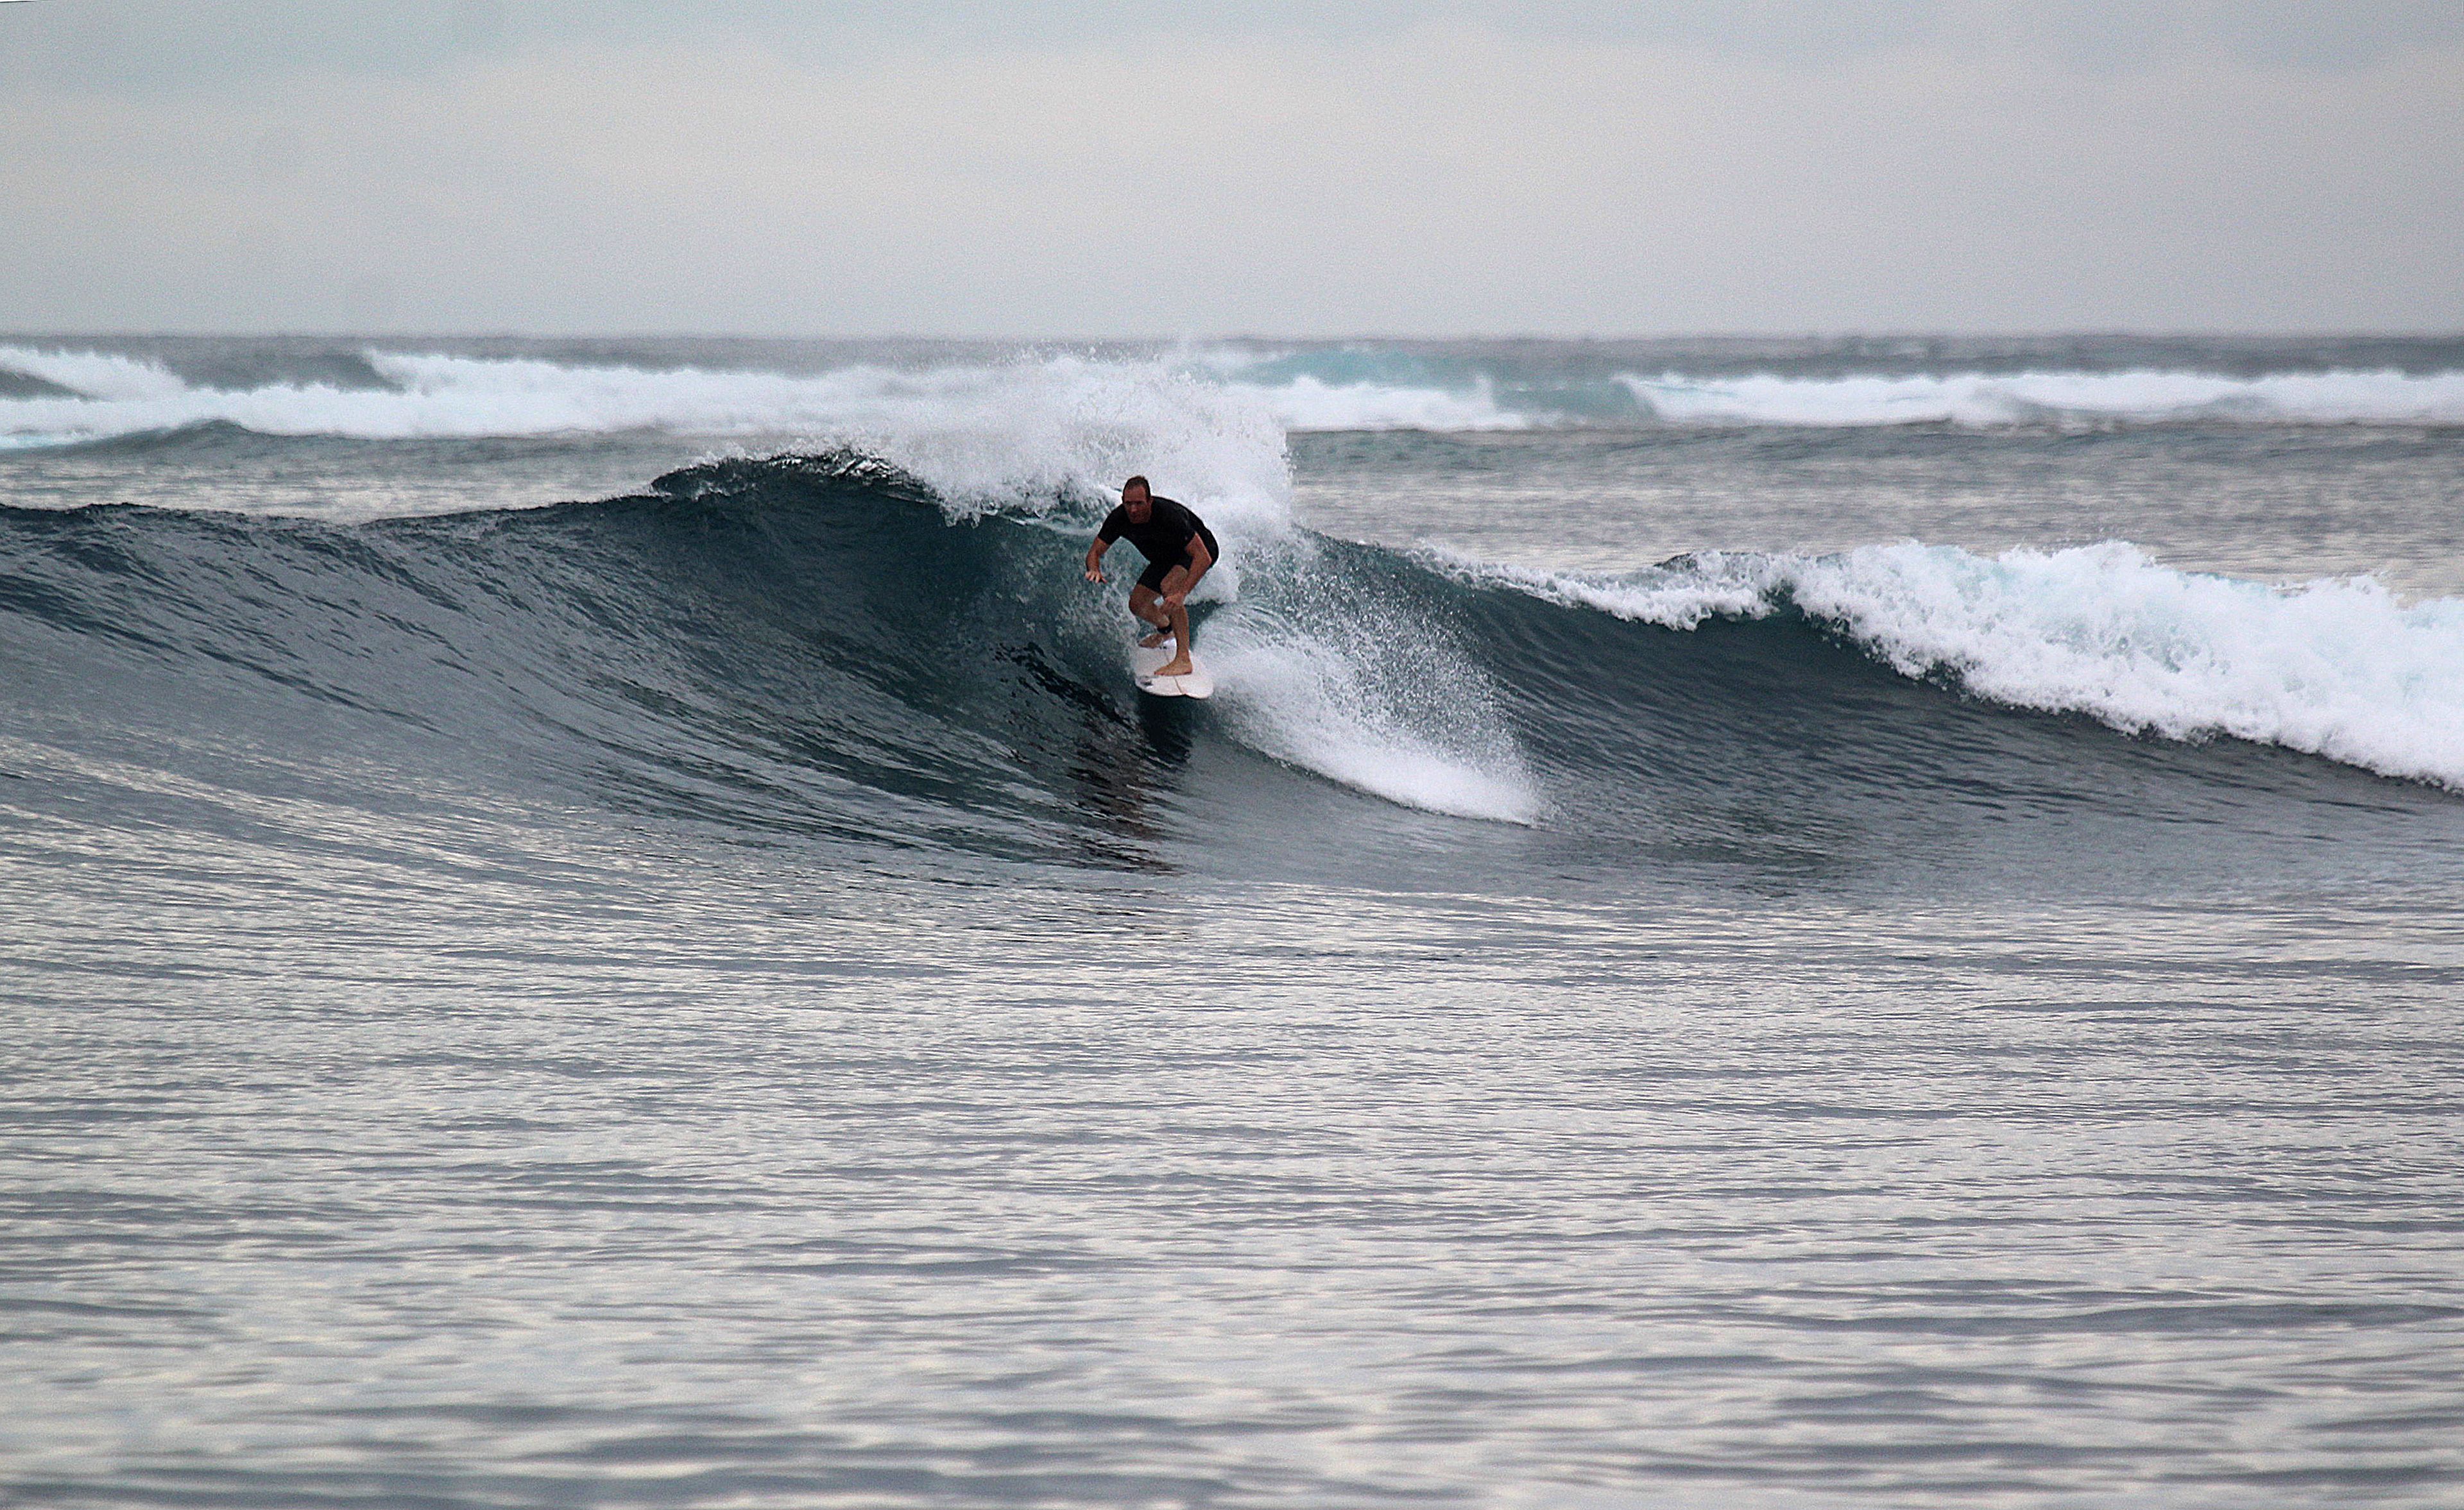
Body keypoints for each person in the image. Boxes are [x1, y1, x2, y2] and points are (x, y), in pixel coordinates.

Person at [1082, 475, 1219, 679]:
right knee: (1137, 605)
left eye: (1139, 503)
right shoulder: (1119, 519)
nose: (1133, 510)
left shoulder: (1169, 517)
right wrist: (1094, 569)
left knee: (1169, 586)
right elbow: (1094, 552)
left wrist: (1182, 593)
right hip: (1165, 558)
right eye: (1128, 504)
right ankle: (1166, 630)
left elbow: (1203, 557)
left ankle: (1183, 659)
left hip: (1198, 551)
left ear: (1150, 501)